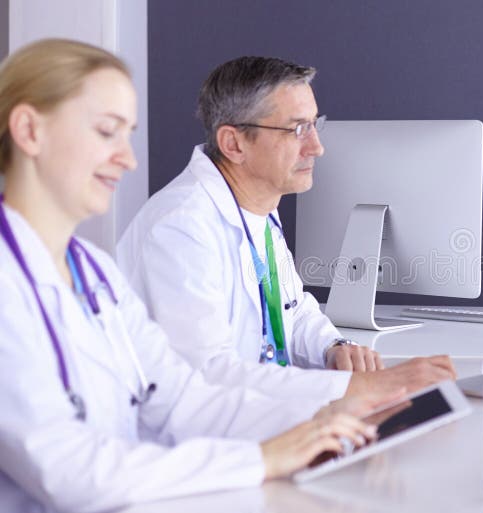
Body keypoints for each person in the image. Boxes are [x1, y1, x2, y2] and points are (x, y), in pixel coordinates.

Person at [0, 39, 395, 512]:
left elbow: (180, 395)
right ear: (29, 130)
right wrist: (261, 458)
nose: (128, 159)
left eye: (129, 134)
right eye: (107, 131)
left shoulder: (91, 269)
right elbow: (68, 470)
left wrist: (327, 420)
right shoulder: (174, 226)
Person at [116, 56, 455, 401]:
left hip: (259, 417)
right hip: (198, 440)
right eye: (296, 129)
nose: (317, 147)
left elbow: (292, 307)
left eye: (314, 125)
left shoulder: (256, 208)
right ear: (234, 144)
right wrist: (354, 388)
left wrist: (332, 346)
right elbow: (208, 376)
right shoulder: (180, 228)